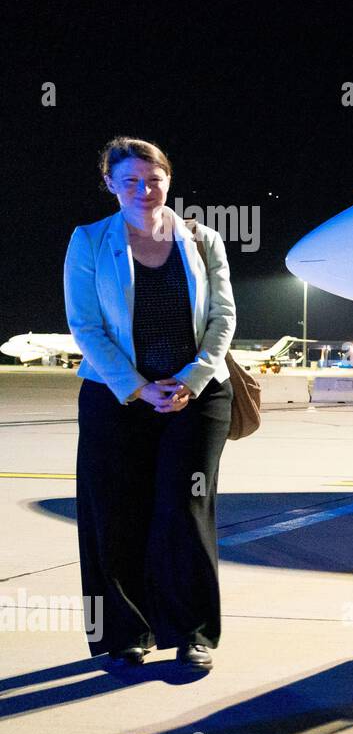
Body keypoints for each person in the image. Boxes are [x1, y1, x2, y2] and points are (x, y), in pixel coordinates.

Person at [63, 137, 235, 670]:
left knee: (184, 506)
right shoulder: (89, 241)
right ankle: (125, 633)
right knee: (115, 512)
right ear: (110, 183)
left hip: (197, 395)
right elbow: (85, 326)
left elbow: (223, 317)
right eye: (131, 180)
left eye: (154, 178)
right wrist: (139, 386)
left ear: (169, 179)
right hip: (116, 396)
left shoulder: (203, 239)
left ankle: (194, 632)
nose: (144, 189)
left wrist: (189, 378)